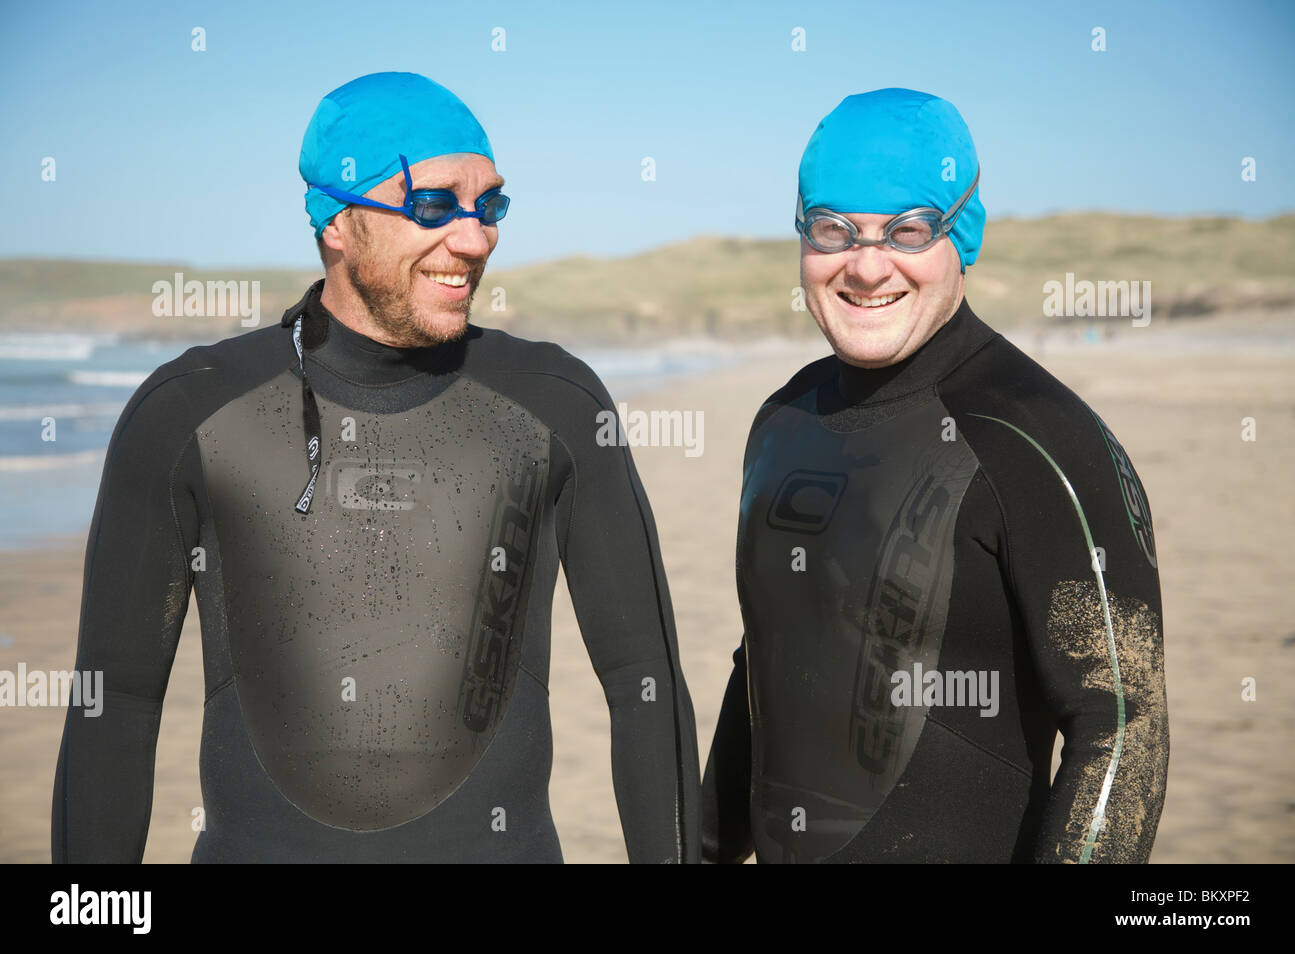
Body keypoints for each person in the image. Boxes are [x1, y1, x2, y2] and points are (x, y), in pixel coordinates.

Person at [52, 72, 700, 863]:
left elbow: (645, 682)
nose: (475, 238)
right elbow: (114, 703)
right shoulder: (191, 410)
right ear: (337, 219)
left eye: (488, 204)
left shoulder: (556, 404)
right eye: (431, 206)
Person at [702, 88, 1168, 864]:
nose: (866, 264)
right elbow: (767, 664)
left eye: (907, 230)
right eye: (833, 229)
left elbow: (1123, 725)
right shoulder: (782, 423)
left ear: (965, 232)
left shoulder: (1040, 439)